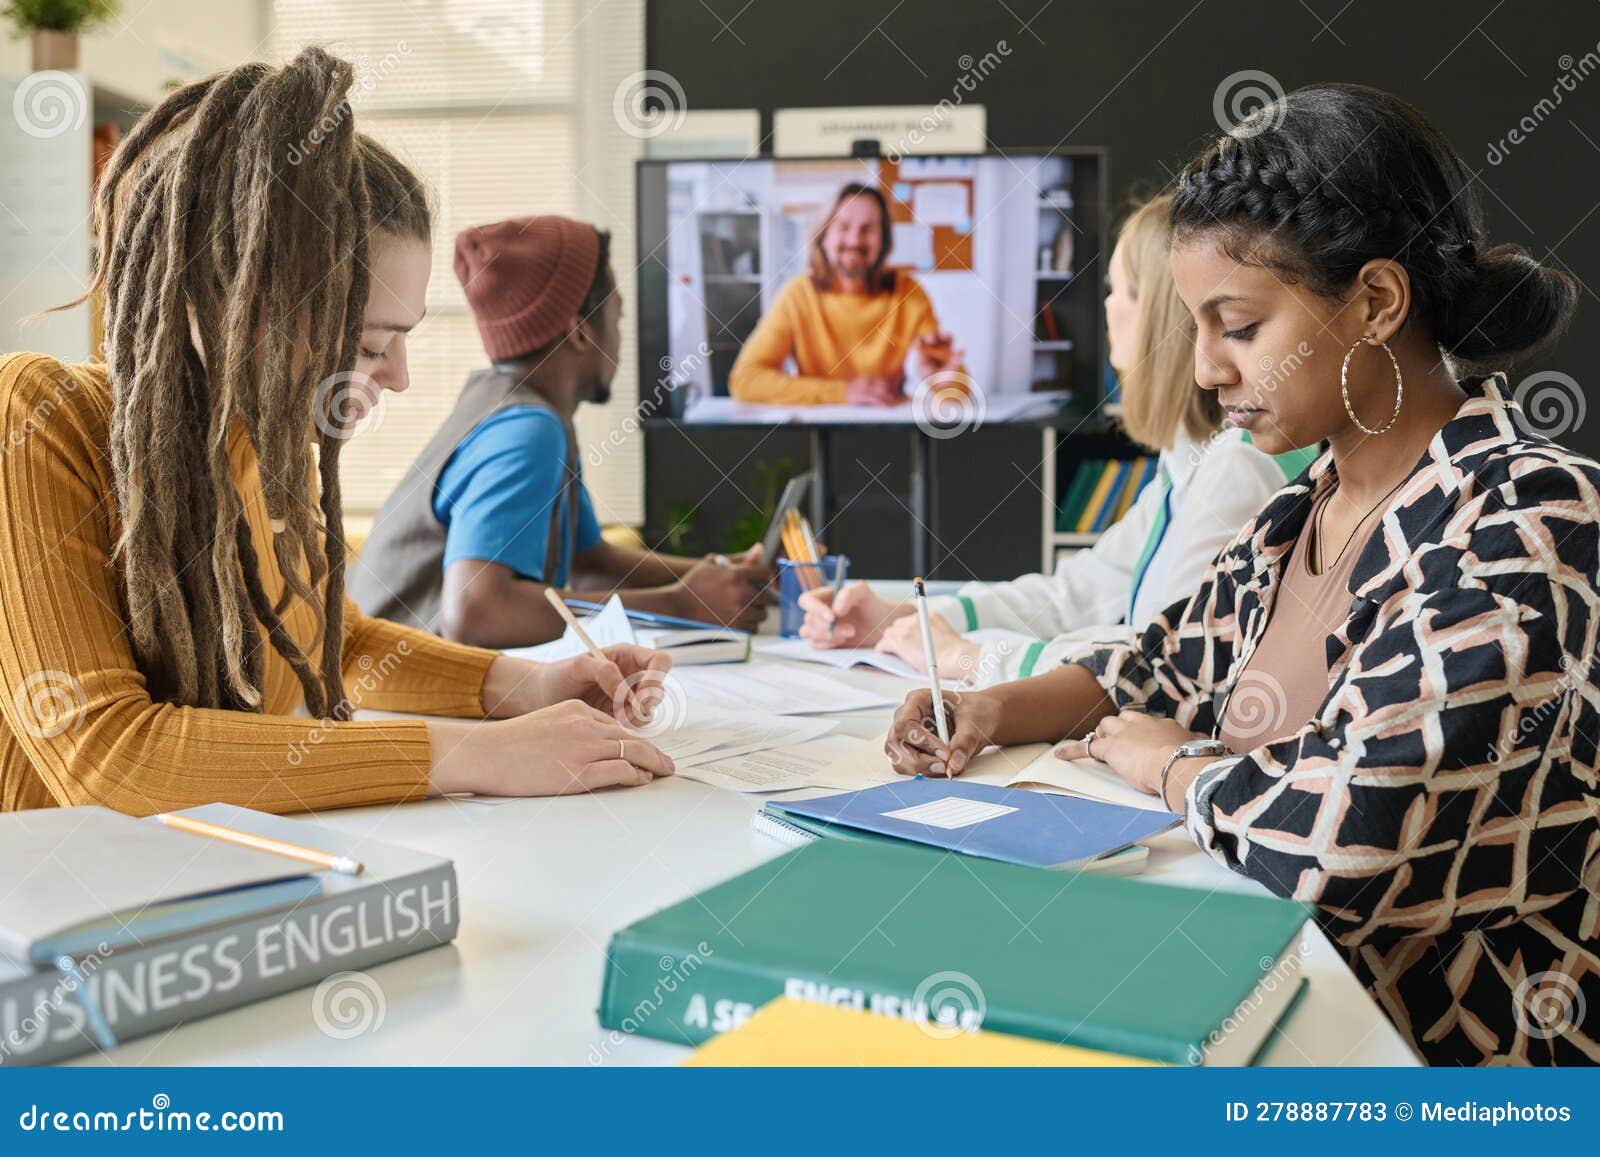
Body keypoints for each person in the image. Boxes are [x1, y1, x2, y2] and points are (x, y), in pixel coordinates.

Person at [886, 84, 1598, 1066]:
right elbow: (1158, 665)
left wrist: (1171, 766)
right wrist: (990, 710)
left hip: (1439, 1061)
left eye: (1239, 326)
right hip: (1263, 1002)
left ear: (1378, 301)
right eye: (1195, 327)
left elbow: (1348, 833)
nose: (1208, 369)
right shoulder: (1295, 512)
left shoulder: (1535, 512)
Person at [0, 50, 679, 816]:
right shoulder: (38, 417)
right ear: (235, 301)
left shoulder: (265, 452)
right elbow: (108, 755)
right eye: (368, 343)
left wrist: (527, 684)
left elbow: (339, 642)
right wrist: (473, 754)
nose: (398, 376)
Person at [799, 194, 1311, 684]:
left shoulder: (1237, 468)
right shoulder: (1187, 462)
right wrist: (902, 618)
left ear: (1158, 313)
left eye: (1118, 290)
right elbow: (1077, 593)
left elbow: (1157, 669)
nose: (1106, 308)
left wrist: (971, 659)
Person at [347, 216, 773, 647]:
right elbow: (475, 612)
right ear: (581, 332)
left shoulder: (511, 407)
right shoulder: (528, 430)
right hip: (390, 699)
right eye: (618, 317)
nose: (622, 340)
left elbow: (588, 562)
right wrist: (680, 606)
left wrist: (722, 573)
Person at [727, 182, 962, 406]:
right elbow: (745, 380)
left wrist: (941, 378)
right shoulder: (798, 294)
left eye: (867, 229)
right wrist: (843, 392)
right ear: (824, 236)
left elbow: (957, 395)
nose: (854, 240)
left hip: (887, 428)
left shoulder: (908, 293)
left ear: (884, 240)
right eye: (843, 227)